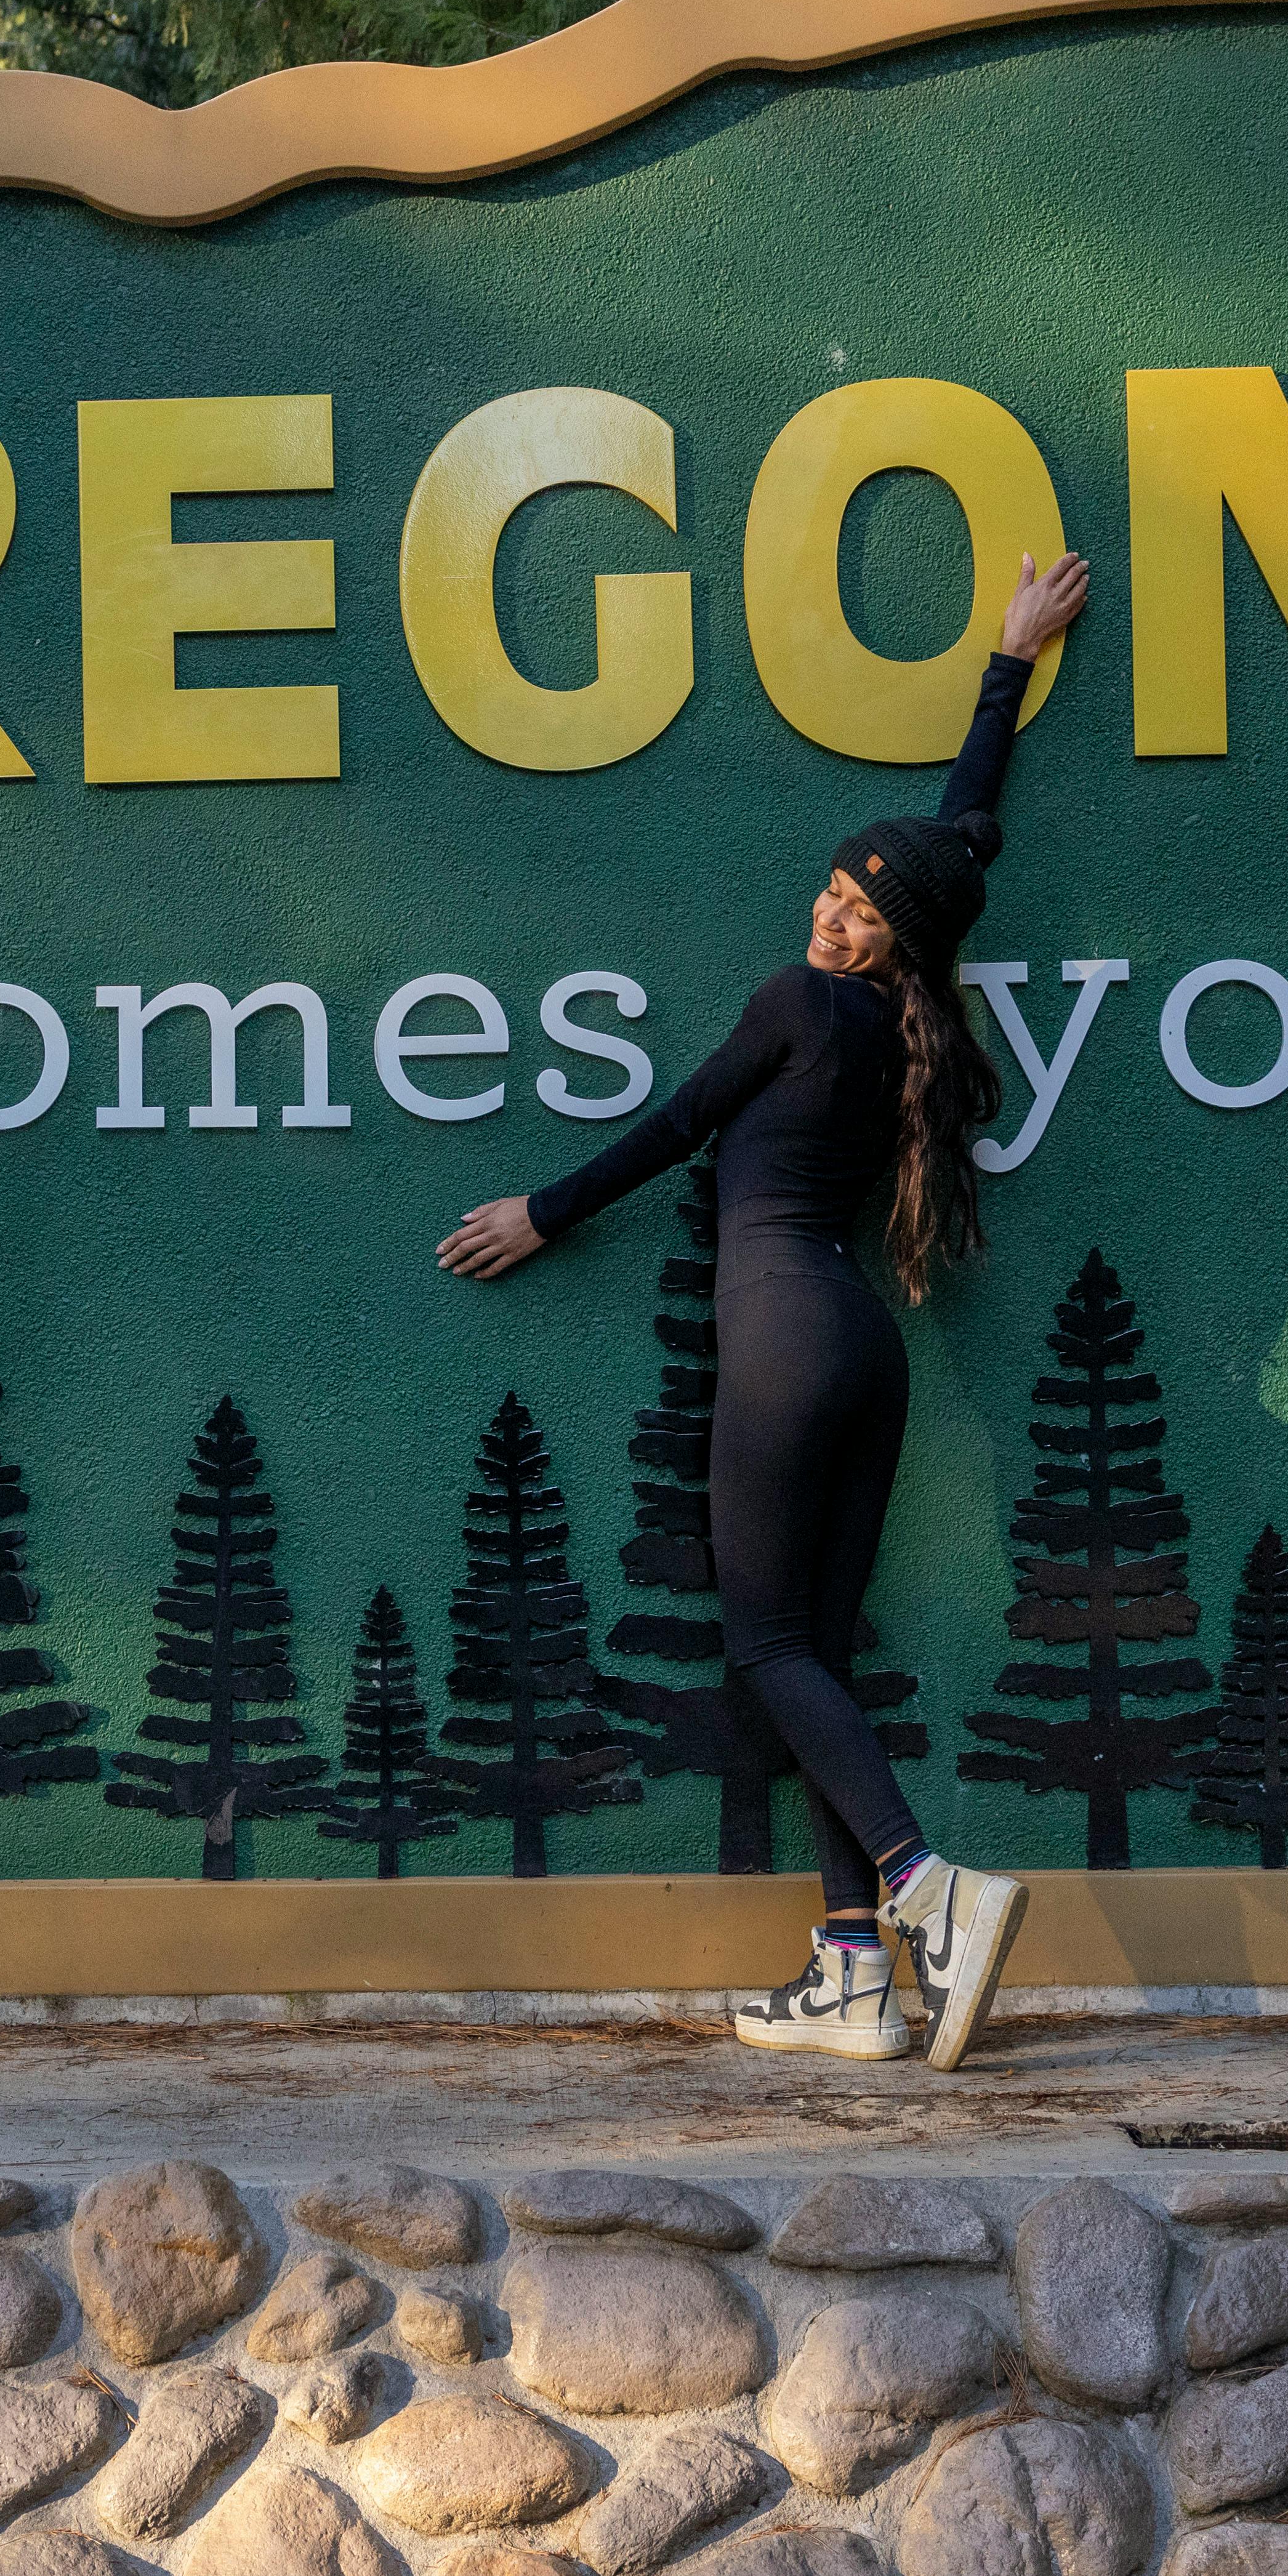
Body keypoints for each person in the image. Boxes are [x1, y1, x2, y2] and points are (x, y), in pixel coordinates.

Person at [437, 549, 1089, 2067]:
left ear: (897, 937)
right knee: (814, 1659)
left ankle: (929, 1892)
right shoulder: (904, 1023)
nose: (833, 914)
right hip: (863, 1351)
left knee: (758, 1646)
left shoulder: (795, 1009)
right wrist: (1004, 664)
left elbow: (677, 1124)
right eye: (832, 888)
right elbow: (963, 829)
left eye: (863, 909)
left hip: (787, 1342)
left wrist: (542, 1210)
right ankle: (851, 1968)